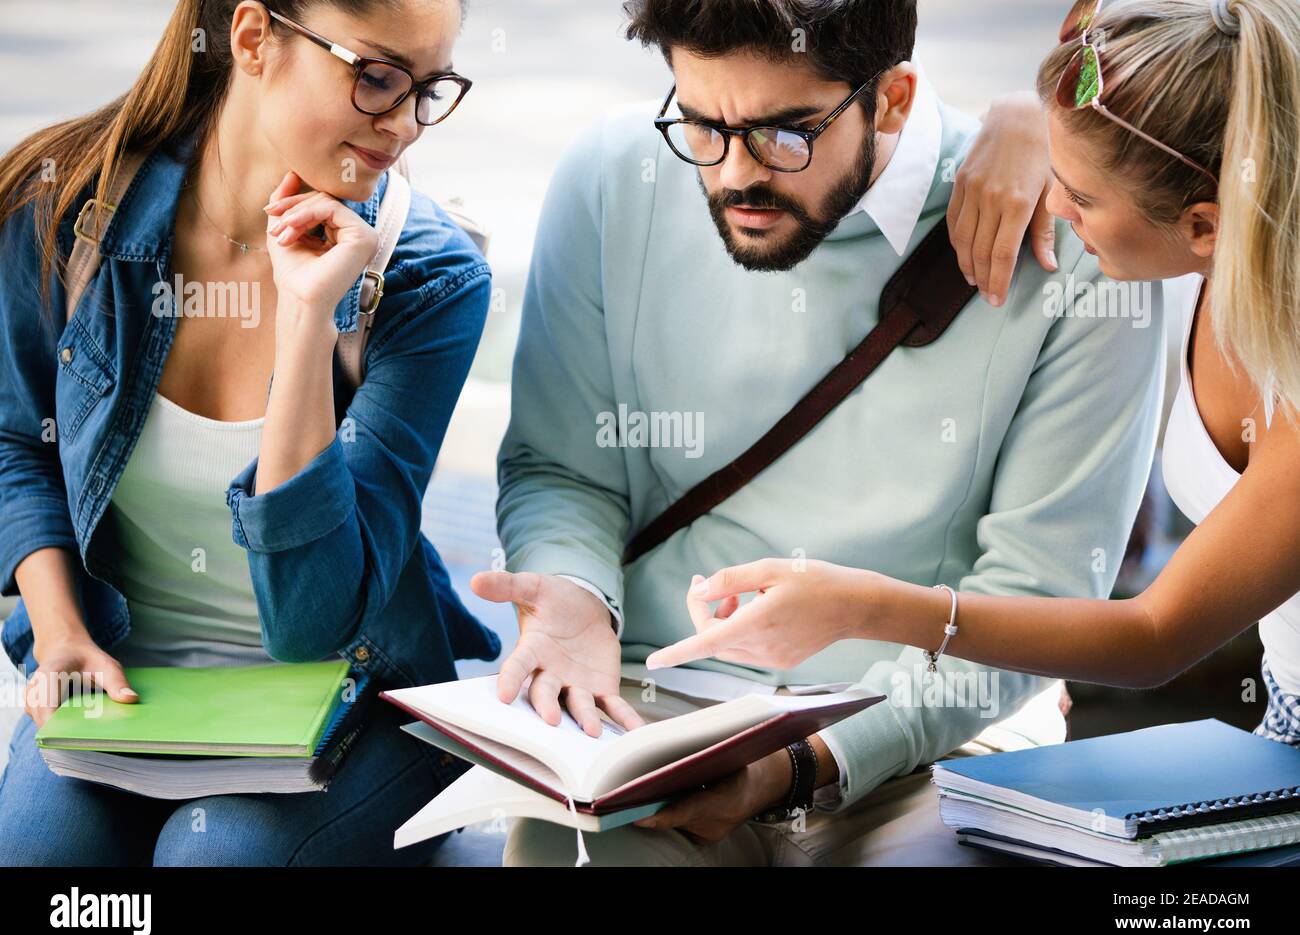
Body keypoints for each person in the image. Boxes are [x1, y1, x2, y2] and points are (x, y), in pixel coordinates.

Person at [469, 0, 1166, 866]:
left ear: (898, 100)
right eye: (701, 124)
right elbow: (562, 468)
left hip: (935, 741)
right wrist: (573, 592)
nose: (734, 175)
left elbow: (1041, 598)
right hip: (651, 713)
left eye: (785, 135)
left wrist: (799, 765)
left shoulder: (1077, 246)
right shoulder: (612, 175)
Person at [650, 0, 1300, 753]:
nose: (1050, 205)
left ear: (1205, 223)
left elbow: (1153, 637)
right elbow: (1161, 109)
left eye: (1080, 198)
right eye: (1055, 172)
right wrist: (1023, 117)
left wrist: (866, 606)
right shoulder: (1207, 253)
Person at [0, 0, 497, 865]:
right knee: (41, 850)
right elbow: (15, 439)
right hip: (131, 679)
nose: (406, 125)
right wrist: (58, 631)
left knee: (216, 855)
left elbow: (314, 621)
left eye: (431, 88)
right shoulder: (67, 203)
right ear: (254, 37)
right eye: (377, 77)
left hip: (357, 698)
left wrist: (308, 320)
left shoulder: (430, 278)